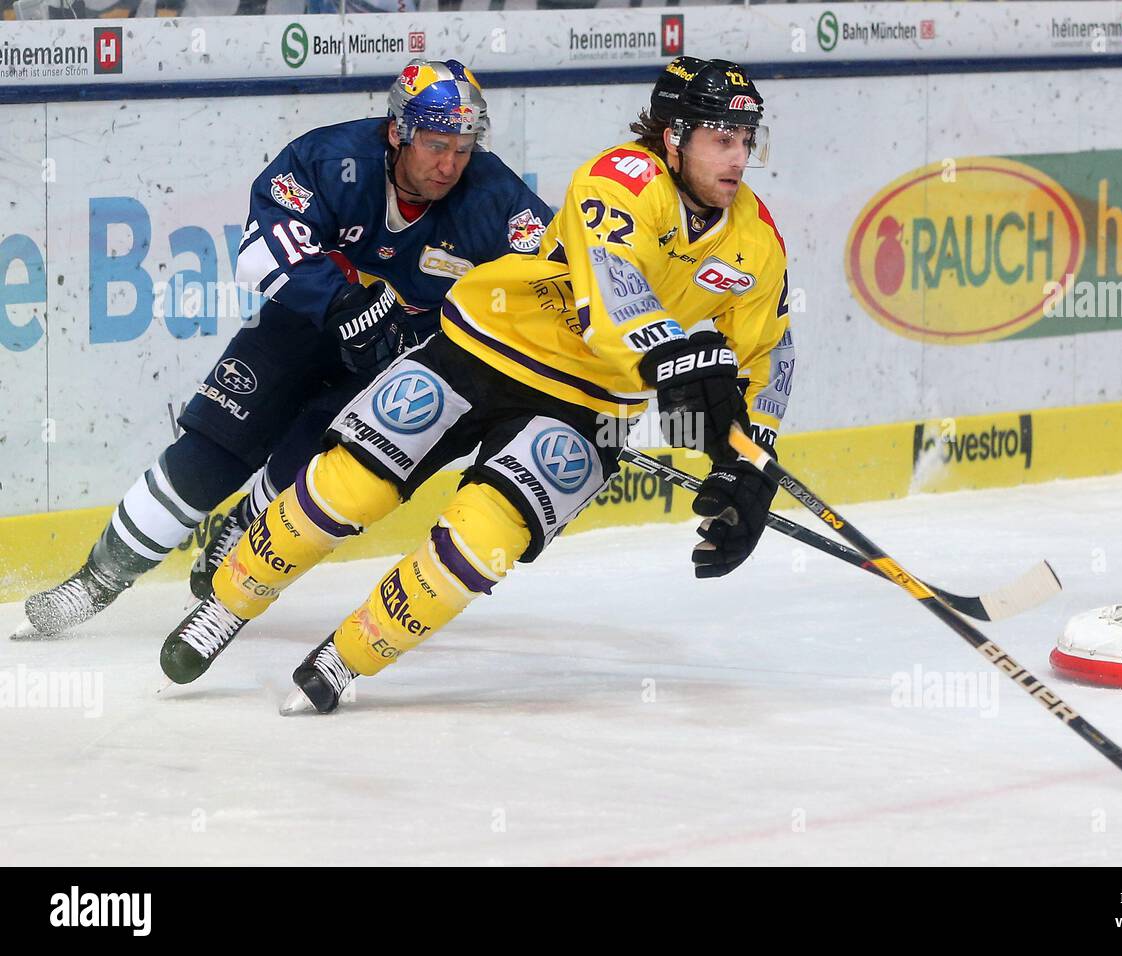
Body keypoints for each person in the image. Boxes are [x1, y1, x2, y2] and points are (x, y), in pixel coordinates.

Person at [157, 56, 797, 715]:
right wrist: (672, 354)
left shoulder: (757, 240)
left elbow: (769, 355)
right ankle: (227, 605)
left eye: (747, 140)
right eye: (722, 138)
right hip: (485, 346)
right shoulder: (621, 178)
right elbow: (614, 291)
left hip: (592, 408)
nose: (739, 158)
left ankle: (345, 658)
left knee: (479, 543)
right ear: (674, 136)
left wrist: (750, 462)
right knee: (350, 483)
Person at [10, 59, 552, 641]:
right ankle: (95, 582)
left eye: (463, 147)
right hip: (299, 328)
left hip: (392, 361)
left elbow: (552, 288)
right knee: (210, 454)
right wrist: (343, 304)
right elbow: (257, 252)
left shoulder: (495, 195)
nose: (450, 164)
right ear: (399, 131)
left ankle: (246, 526)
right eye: (436, 144)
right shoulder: (327, 160)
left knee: (309, 476)